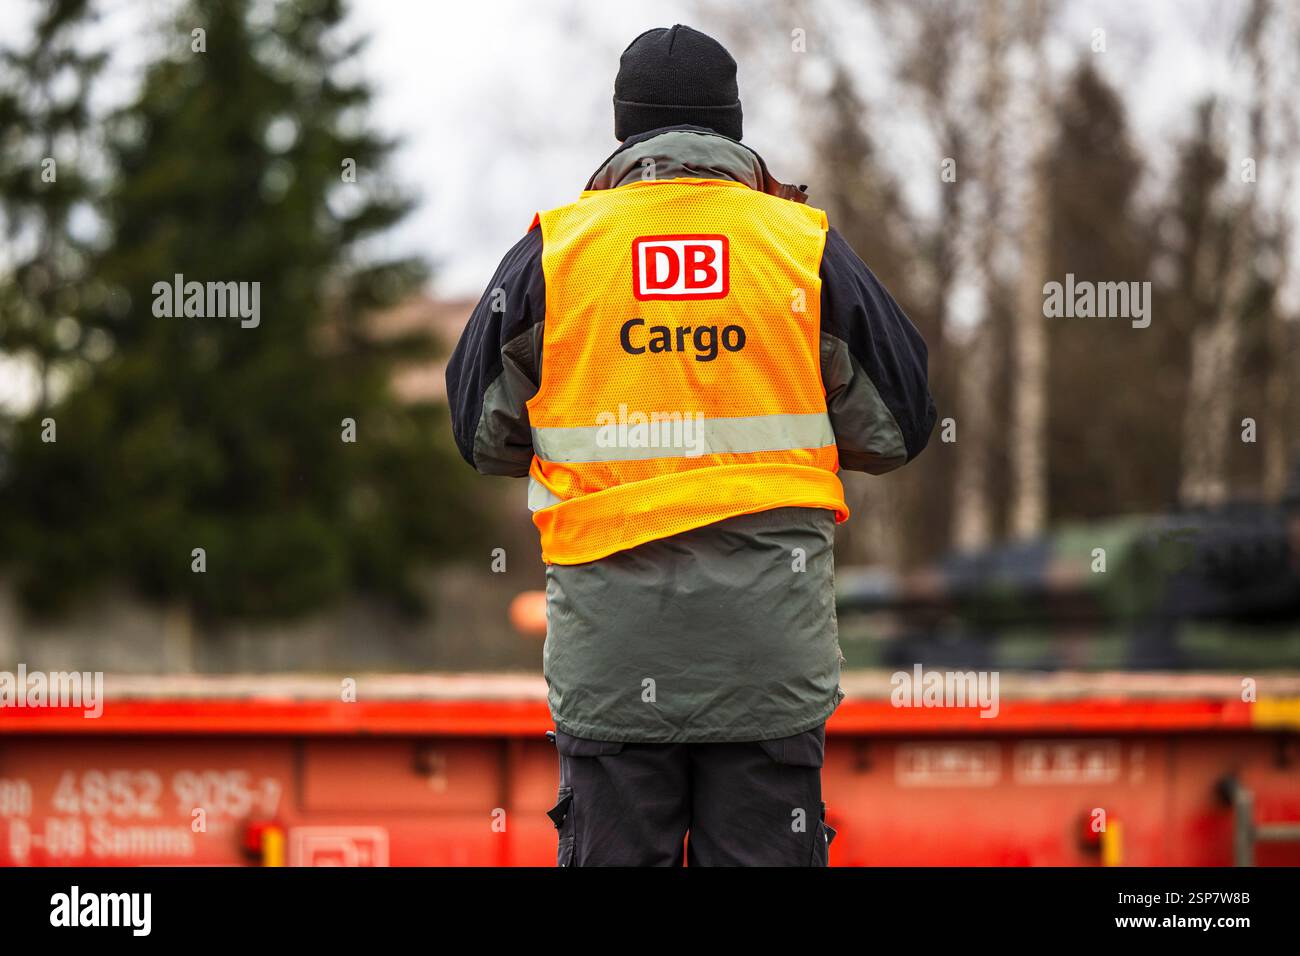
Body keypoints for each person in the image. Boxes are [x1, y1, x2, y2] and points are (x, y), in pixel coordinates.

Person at [447, 24, 935, 866]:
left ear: (623, 131)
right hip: (768, 662)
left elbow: (479, 431)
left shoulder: (558, 254)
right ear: (733, 126)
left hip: (612, 663)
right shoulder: (802, 248)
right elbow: (900, 425)